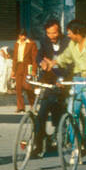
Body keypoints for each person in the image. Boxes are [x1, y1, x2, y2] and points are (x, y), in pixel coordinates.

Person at [54, 19, 86, 139]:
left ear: (77, 32)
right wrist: (53, 62)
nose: (68, 35)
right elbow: (64, 58)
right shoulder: (72, 45)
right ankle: (75, 147)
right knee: (72, 111)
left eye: (69, 32)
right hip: (78, 80)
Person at [32, 18, 69, 152]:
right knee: (41, 112)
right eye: (49, 33)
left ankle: (57, 136)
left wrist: (55, 65)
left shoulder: (68, 42)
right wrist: (41, 61)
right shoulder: (45, 40)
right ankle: (38, 143)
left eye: (54, 33)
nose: (51, 36)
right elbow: (40, 54)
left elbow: (70, 64)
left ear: (59, 30)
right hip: (48, 80)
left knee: (58, 108)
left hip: (64, 79)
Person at [0, 28, 39, 113]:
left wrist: (33, 70)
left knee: (28, 87)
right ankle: (20, 107)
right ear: (19, 36)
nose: (22, 37)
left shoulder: (31, 44)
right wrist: (13, 70)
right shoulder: (16, 44)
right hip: (19, 67)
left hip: (28, 67)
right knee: (18, 88)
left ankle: (33, 106)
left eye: (24, 35)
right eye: (21, 36)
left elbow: (35, 58)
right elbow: (15, 58)